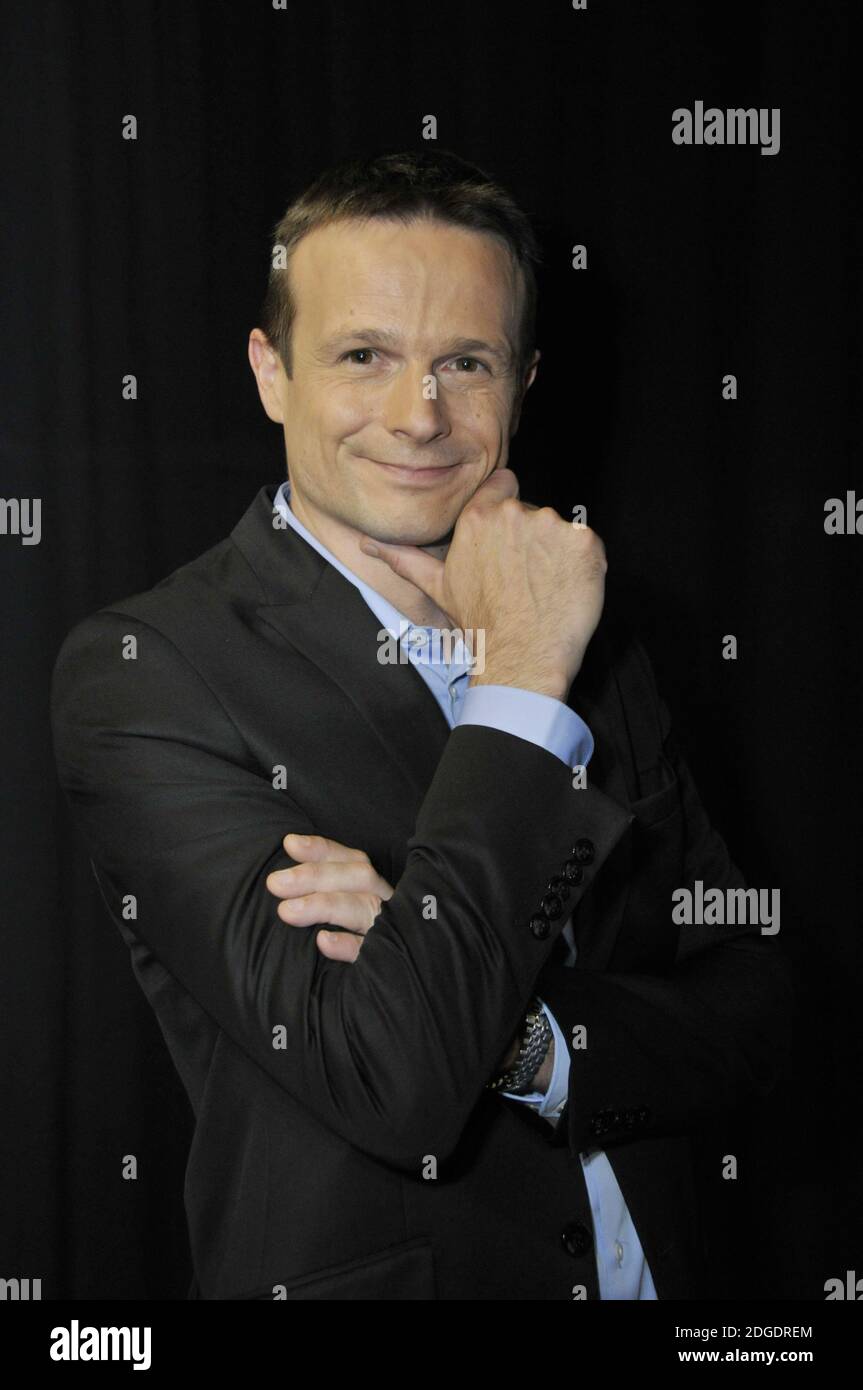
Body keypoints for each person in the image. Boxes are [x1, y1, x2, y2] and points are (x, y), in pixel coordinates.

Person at [51, 150, 792, 1300]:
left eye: (465, 361)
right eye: (363, 356)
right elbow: (391, 1074)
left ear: (523, 379)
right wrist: (523, 681)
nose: (420, 416)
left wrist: (533, 1043)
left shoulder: (604, 634)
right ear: (270, 372)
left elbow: (753, 1001)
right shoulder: (148, 672)